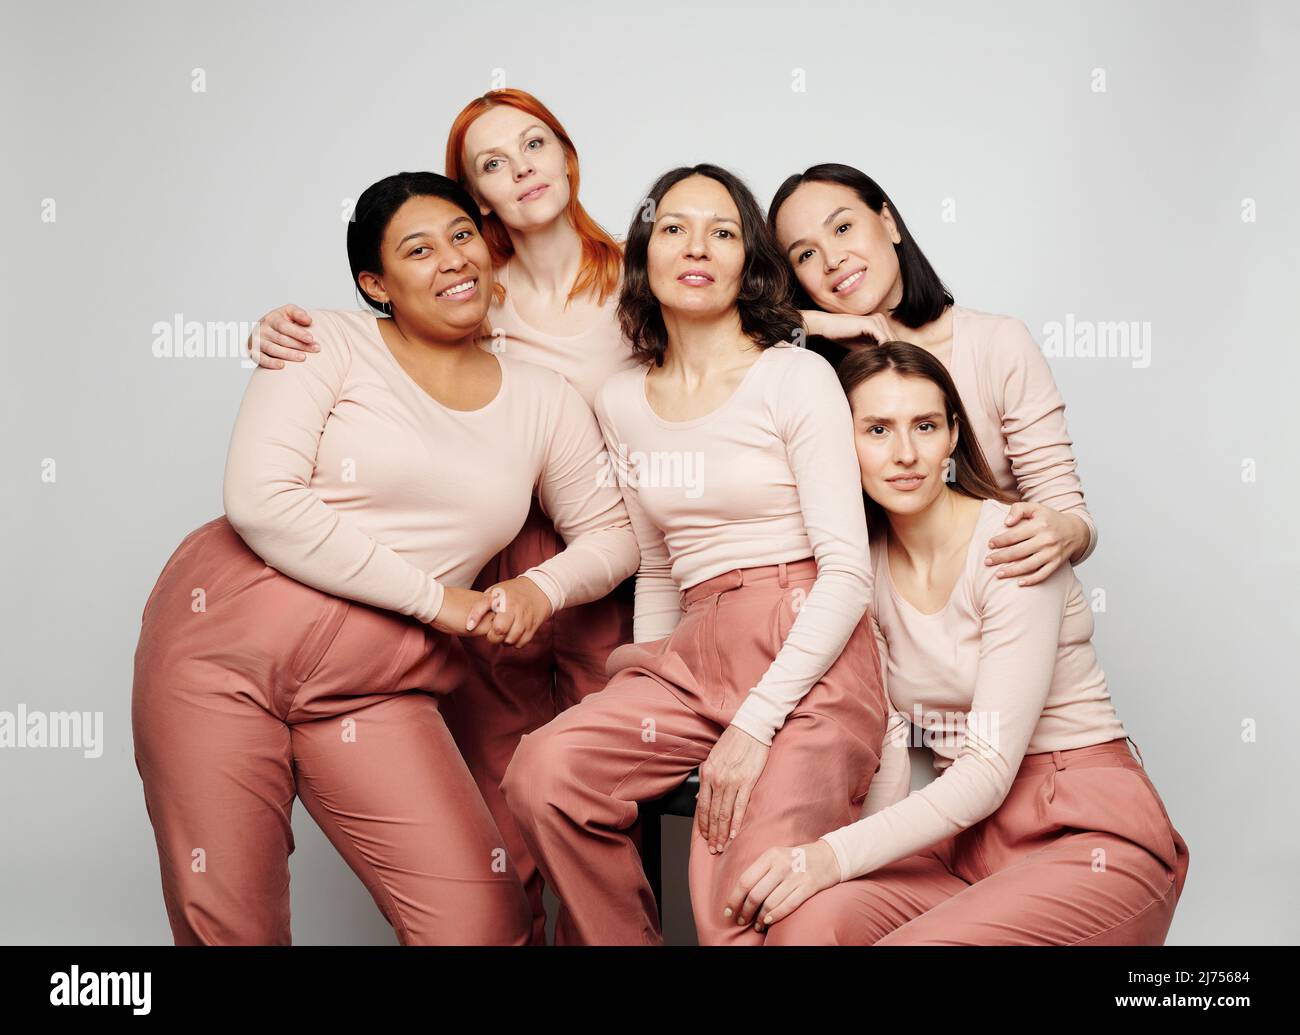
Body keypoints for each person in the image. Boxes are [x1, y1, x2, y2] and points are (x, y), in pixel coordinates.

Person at [131, 171, 639, 945]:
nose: (452, 260)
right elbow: (262, 499)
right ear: (377, 283)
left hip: (375, 685)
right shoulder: (321, 341)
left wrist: (542, 586)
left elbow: (613, 532)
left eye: (463, 236)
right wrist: (444, 603)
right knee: (230, 925)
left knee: (482, 922)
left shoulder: (542, 398)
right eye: (418, 249)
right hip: (224, 651)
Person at [498, 165, 888, 945]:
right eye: (674, 227)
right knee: (544, 772)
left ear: (749, 261)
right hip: (694, 650)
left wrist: (754, 723)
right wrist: (646, 679)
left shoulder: (796, 376)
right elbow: (658, 565)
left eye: (723, 230)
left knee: (729, 902)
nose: (697, 246)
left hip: (807, 645)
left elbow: (848, 573)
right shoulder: (621, 399)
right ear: (646, 253)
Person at [726, 341, 1189, 944]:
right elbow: (891, 740)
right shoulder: (855, 573)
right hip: (966, 844)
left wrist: (829, 856)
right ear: (842, 446)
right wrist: (833, 872)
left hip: (1084, 830)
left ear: (952, 436)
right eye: (877, 430)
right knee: (808, 924)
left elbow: (990, 768)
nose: (906, 454)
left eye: (924, 426)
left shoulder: (1013, 543)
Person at [769, 163, 1098, 587]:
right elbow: (703, 340)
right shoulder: (810, 372)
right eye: (805, 254)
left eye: (843, 227)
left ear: (888, 222)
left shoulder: (996, 343)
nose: (832, 259)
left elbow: (1064, 504)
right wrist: (815, 325)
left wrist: (1068, 531)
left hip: (999, 591)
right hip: (882, 621)